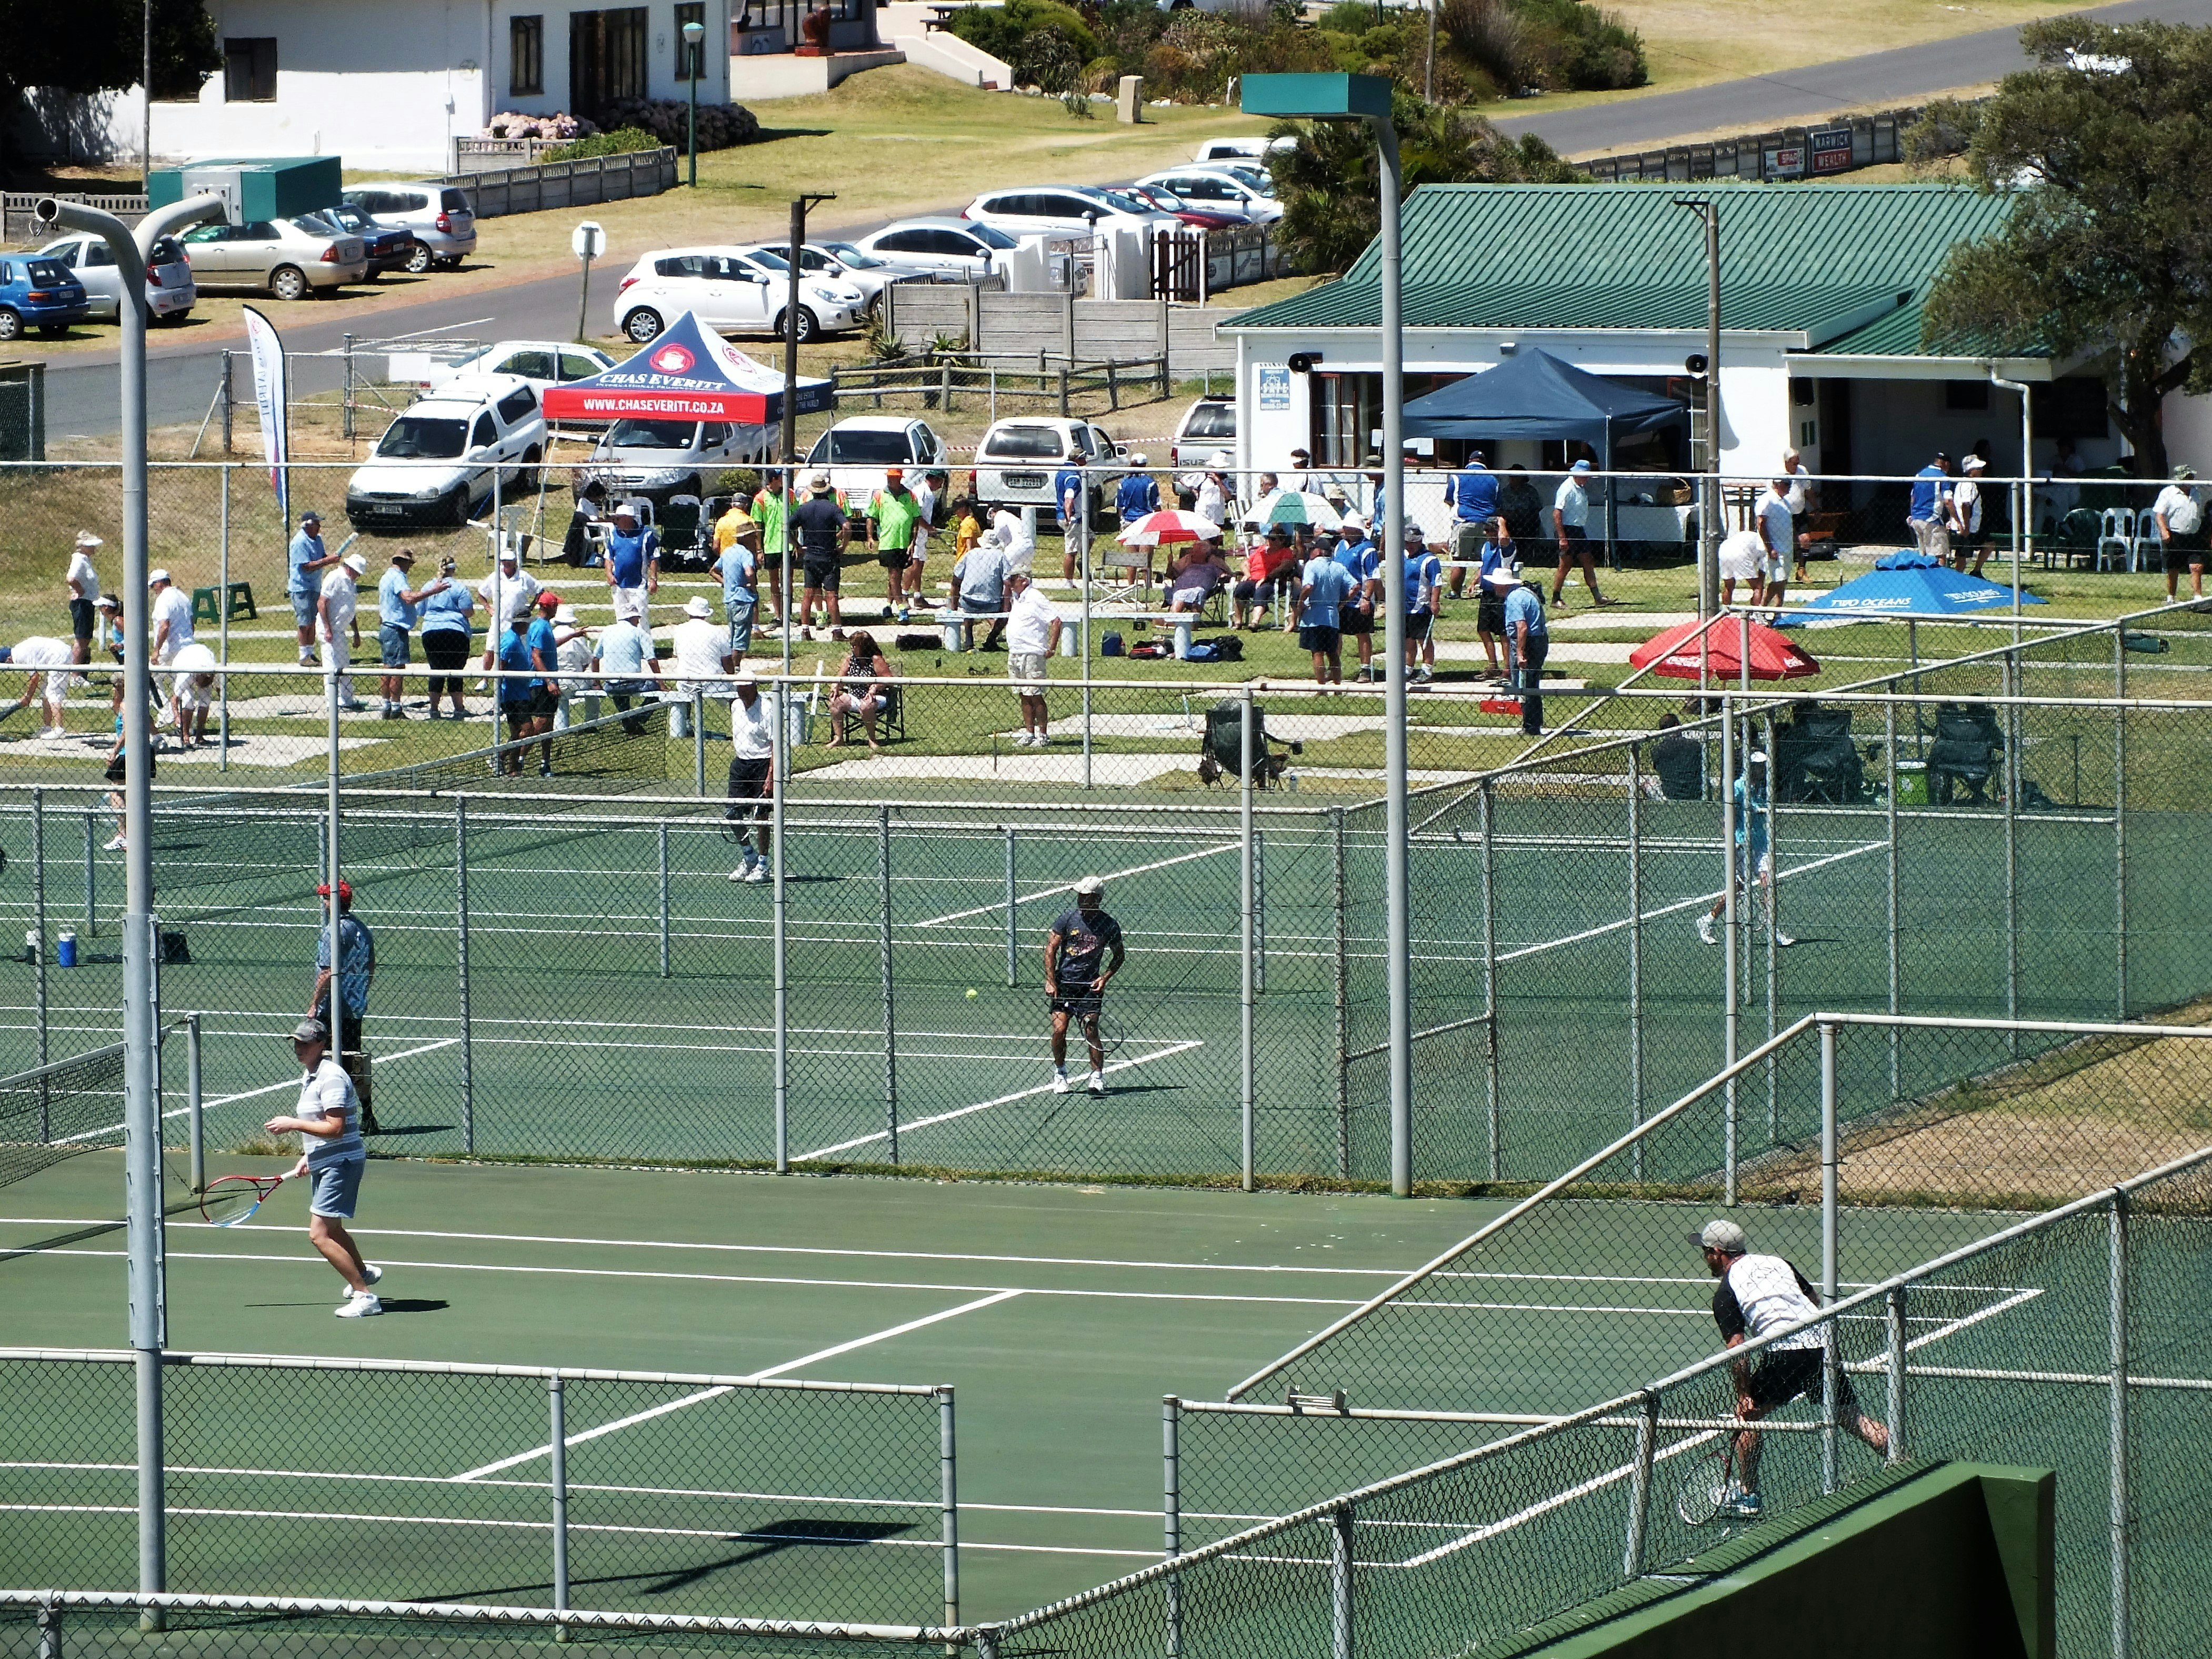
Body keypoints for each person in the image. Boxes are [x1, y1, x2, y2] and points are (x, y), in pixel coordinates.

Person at [1692, 1217, 1887, 1517]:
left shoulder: (1725, 1293)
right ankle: (1898, 1455)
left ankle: (1748, 1495)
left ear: (1718, 1253)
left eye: (1706, 1251)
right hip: (1823, 1345)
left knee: (1747, 1419)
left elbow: (1738, 1350)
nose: (1705, 1257)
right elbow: (1812, 1299)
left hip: (1786, 1353)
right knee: (1851, 1417)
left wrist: (1744, 1396)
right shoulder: (1778, 1263)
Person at [264, 1018, 382, 1318]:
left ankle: (365, 1296)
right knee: (333, 1228)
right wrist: (309, 1155)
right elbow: (320, 1125)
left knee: (319, 1235)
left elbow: (336, 1128)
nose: (298, 1048)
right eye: (296, 1042)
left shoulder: (331, 1077)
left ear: (321, 1044)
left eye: (305, 1043)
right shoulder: (311, 1075)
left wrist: (292, 1124)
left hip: (341, 1163)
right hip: (326, 1160)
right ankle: (362, 1273)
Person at [1699, 749, 1794, 947]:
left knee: (1768, 885)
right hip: (1742, 845)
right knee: (1736, 890)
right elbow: (1728, 817)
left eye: (1763, 766)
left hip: (1761, 845)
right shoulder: (1738, 788)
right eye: (1758, 766)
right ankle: (1708, 920)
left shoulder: (1764, 788)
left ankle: (1774, 930)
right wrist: (1731, 842)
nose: (1762, 770)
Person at [1044, 874, 1124, 1097]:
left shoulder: (1108, 925)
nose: (1080, 899)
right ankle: (1060, 1074)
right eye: (1080, 895)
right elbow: (1050, 950)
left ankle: (1097, 1078)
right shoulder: (1067, 919)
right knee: (1059, 1030)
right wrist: (1051, 981)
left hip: (1090, 988)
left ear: (1096, 899)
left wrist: (1104, 978)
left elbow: (1119, 955)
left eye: (1085, 896)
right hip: (1064, 985)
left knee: (1091, 1029)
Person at [308, 878, 376, 1089]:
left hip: (331, 1008)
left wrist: (314, 1004)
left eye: (327, 898)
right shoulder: (362, 929)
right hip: (354, 1007)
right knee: (353, 1059)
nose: (324, 902)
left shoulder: (333, 931)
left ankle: (332, 1103)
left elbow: (327, 973)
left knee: (324, 1061)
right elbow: (371, 966)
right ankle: (363, 1105)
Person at [375, 548, 444, 720]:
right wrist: (433, 591)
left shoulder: (385, 577)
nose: (410, 567)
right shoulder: (398, 578)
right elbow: (409, 598)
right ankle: (396, 707)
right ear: (402, 562)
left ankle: (386, 705)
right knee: (398, 668)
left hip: (386, 627)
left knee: (387, 666)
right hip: (396, 629)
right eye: (409, 564)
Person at [724, 671, 776, 883]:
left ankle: (763, 864)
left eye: (745, 687)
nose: (741, 691)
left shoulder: (768, 709)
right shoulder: (736, 706)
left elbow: (775, 745)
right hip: (740, 765)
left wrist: (770, 777)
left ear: (754, 686)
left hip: (762, 764)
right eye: (739, 687)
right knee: (732, 814)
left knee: (761, 817)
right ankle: (749, 856)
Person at [1004, 569, 1061, 747]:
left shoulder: (1036, 597)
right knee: (1023, 694)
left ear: (1024, 581)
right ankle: (1029, 733)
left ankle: (1043, 735)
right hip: (1016, 652)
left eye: (1013, 580)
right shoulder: (1017, 598)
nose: (1010, 583)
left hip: (1032, 653)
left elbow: (1056, 621)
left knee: (1035, 694)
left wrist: (1052, 648)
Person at [416, 558, 476, 720]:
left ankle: (434, 709)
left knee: (436, 670)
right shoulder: (459, 588)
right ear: (453, 569)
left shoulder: (429, 587)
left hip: (431, 632)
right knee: (455, 671)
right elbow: (467, 611)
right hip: (455, 632)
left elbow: (420, 610)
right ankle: (458, 709)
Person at [793, 471, 848, 641]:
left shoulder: (804, 509)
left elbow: (787, 526)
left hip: (811, 555)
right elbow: (847, 526)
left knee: (808, 594)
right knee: (831, 595)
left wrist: (797, 545)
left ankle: (805, 630)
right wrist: (843, 546)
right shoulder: (833, 508)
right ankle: (837, 630)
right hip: (829, 555)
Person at [669, 594, 732, 742]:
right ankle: (740, 722)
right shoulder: (718, 631)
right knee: (736, 693)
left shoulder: (680, 630)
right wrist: (732, 675)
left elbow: (677, 655)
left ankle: (686, 723)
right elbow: (727, 660)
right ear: (706, 614)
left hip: (686, 681)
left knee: (682, 691)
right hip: (713, 682)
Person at [595, 600, 663, 734]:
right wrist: (661, 683)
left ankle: (627, 721)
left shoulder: (607, 631)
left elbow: (595, 658)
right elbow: (652, 660)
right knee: (655, 688)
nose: (638, 621)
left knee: (619, 692)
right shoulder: (639, 633)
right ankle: (636, 718)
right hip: (632, 683)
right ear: (632, 618)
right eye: (637, 618)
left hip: (611, 685)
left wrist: (596, 683)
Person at [1549, 459, 1610, 609]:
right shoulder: (1567, 488)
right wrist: (1562, 538)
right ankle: (1556, 599)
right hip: (1568, 530)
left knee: (1588, 560)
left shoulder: (1580, 488)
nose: (1586, 478)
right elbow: (1557, 513)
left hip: (1578, 529)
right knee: (1565, 565)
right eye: (1584, 475)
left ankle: (1598, 597)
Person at [867, 467, 924, 622]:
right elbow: (871, 516)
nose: (890, 480)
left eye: (893, 478)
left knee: (895, 575)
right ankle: (902, 607)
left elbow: (916, 519)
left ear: (899, 479)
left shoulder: (910, 496)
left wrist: (913, 542)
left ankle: (888, 604)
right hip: (888, 542)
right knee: (894, 575)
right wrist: (870, 537)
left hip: (904, 542)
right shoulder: (880, 495)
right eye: (889, 477)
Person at [1297, 537, 1355, 686]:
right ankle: (1337, 686)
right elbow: (1355, 586)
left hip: (1314, 616)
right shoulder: (1338, 567)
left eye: (1312, 549)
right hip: (1332, 616)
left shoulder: (1312, 565)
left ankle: (1321, 687)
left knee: (1317, 652)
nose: (1310, 552)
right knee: (1333, 653)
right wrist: (1342, 603)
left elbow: (1308, 587)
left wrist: (1301, 602)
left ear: (1319, 551)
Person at [1331, 517, 1382, 681]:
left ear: (1356, 530)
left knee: (1362, 634)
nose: (1344, 530)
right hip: (1341, 599)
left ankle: (1365, 669)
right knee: (1336, 634)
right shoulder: (1340, 546)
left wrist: (1366, 598)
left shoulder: (1367, 548)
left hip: (1359, 599)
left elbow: (1373, 575)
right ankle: (1334, 668)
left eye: (1347, 527)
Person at [316, 551, 368, 710]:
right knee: (331, 665)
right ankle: (331, 702)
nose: (358, 576)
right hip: (329, 628)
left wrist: (356, 633)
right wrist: (327, 628)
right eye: (358, 572)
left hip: (340, 629)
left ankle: (347, 699)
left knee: (344, 664)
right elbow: (322, 603)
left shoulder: (351, 583)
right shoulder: (335, 578)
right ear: (351, 568)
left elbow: (349, 609)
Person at [1444, 449, 1500, 596]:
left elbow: (1449, 500)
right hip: (1486, 524)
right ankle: (1484, 589)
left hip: (1464, 522)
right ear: (1484, 463)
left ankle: (1455, 592)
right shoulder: (1493, 480)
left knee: (1459, 560)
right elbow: (1497, 503)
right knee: (1486, 559)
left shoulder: (1458, 477)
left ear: (1470, 461)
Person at [828, 629, 894, 752]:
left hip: (877, 696)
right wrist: (835, 687)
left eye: (854, 646)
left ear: (863, 647)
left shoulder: (876, 659)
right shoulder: (850, 660)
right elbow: (839, 678)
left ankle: (872, 739)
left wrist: (875, 687)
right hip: (854, 695)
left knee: (866, 706)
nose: (852, 648)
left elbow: (889, 679)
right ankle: (839, 738)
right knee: (835, 704)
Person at [287, 512, 339, 666]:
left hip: (315, 586)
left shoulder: (318, 540)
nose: (319, 527)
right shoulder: (299, 542)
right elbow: (307, 566)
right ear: (307, 525)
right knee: (305, 623)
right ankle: (304, 656)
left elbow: (322, 557)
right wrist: (328, 561)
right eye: (317, 524)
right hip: (302, 588)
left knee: (313, 621)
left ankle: (310, 653)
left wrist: (330, 558)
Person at [492, 609, 539, 774]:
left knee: (516, 733)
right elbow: (501, 664)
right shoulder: (510, 641)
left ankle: (511, 768)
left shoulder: (517, 639)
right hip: (513, 695)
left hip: (520, 692)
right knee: (527, 729)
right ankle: (501, 757)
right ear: (522, 623)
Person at [1502, 571, 1547, 736]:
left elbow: (1522, 627)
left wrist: (1520, 653)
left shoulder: (1513, 598)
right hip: (1540, 640)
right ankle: (1533, 724)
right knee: (1532, 684)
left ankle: (1531, 725)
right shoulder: (1525, 593)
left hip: (1528, 643)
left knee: (1524, 685)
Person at [4, 635, 76, 739]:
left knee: (53, 693)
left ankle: (59, 728)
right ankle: (47, 728)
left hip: (59, 656)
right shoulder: (19, 650)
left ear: (8, 659)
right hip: (56, 656)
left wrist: (28, 696)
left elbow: (35, 677)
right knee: (45, 693)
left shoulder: (19, 657)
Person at [2153, 463, 2205, 602]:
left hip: (2193, 535)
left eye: (2191, 477)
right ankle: (2171, 597)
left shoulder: (2196, 493)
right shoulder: (2168, 493)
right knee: (2173, 568)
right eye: (2187, 477)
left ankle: (2198, 597)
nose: (2190, 480)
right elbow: (2159, 514)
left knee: (2196, 566)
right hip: (2175, 535)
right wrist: (2164, 531)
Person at [1234, 523, 1300, 631]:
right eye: (1268, 538)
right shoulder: (1261, 550)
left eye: (1273, 539)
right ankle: (1238, 622)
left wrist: (1266, 578)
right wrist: (1247, 574)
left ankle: (1255, 622)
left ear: (1282, 541)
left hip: (1272, 582)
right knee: (1241, 589)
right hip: (1253, 579)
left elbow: (1284, 568)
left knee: (1261, 591)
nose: (1269, 541)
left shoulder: (1286, 552)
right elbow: (1245, 563)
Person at [603, 502, 659, 625]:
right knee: (621, 620)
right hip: (618, 584)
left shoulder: (645, 534)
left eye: (618, 519)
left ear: (628, 519)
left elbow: (654, 558)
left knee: (641, 620)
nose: (616, 522)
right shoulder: (614, 535)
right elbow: (608, 557)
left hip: (638, 585)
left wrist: (653, 579)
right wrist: (609, 574)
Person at [954, 527, 1009, 650]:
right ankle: (991, 640)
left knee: (968, 607)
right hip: (992, 604)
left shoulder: (971, 554)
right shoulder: (1001, 556)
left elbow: (956, 577)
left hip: (968, 602)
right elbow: (1007, 582)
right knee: (1008, 610)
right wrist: (1006, 606)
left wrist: (953, 607)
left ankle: (969, 640)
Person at [749, 470, 790, 628]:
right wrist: (759, 550)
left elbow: (796, 516)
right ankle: (778, 615)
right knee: (774, 581)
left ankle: (787, 615)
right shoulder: (760, 498)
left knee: (788, 581)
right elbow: (757, 526)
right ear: (774, 479)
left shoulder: (789, 494)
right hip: (771, 545)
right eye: (781, 478)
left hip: (788, 545)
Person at [716, 518, 759, 666]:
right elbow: (749, 572)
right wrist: (752, 586)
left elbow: (713, 570)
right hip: (743, 599)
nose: (755, 539)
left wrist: (726, 583)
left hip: (729, 599)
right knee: (741, 638)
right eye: (753, 536)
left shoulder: (727, 552)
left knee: (733, 634)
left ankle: (730, 666)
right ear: (745, 538)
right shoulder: (746, 554)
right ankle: (735, 667)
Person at [1404, 522, 1442, 685]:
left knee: (1423, 639)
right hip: (1405, 607)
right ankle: (1408, 668)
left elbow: (1436, 582)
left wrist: (1434, 602)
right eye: (1407, 542)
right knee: (1408, 639)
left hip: (1421, 606)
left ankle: (1427, 669)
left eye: (1413, 542)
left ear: (1420, 541)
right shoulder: (1403, 557)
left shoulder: (1430, 560)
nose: (1410, 545)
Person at [477, 545, 541, 635]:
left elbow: (540, 590)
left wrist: (530, 608)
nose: (507, 563)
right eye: (504, 561)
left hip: (520, 625)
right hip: (499, 623)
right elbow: (481, 593)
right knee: (492, 644)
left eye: (510, 561)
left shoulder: (523, 576)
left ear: (515, 561)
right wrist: (489, 609)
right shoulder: (495, 576)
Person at [552, 603, 595, 729]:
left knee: (561, 702)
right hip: (575, 680)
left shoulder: (551, 634)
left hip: (556, 680)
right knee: (593, 691)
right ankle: (591, 723)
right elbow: (587, 659)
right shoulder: (577, 636)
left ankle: (561, 728)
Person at [166, 641, 218, 747]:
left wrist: (224, 709)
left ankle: (200, 737)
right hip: (183, 661)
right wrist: (176, 716)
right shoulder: (186, 675)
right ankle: (186, 737)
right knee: (188, 701)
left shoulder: (215, 672)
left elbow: (220, 690)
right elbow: (175, 698)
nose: (203, 687)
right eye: (202, 683)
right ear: (197, 677)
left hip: (202, 655)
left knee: (206, 701)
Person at [1756, 476, 1796, 610]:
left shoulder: (1785, 502)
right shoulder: (1767, 500)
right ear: (1777, 484)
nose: (1790, 486)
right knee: (1778, 580)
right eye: (1787, 484)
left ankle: (1778, 610)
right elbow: (1761, 524)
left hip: (1787, 547)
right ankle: (1762, 609)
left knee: (1783, 581)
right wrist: (1770, 547)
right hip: (1775, 548)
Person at [66, 529, 101, 675]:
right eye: (91, 546)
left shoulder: (86, 559)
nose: (94, 548)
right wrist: (80, 591)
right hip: (82, 603)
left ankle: (80, 671)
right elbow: (71, 578)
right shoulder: (79, 559)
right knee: (81, 640)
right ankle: (75, 674)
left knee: (85, 639)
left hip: (88, 602)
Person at [1907, 451, 1953, 562]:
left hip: (1917, 519)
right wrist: (1955, 518)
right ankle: (1940, 574)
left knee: (1923, 555)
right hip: (1932, 519)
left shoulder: (1920, 474)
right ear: (1946, 464)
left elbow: (1913, 498)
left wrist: (1913, 515)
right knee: (1939, 554)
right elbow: (1948, 500)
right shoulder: (1942, 477)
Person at [1950, 454, 1988, 576]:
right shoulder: (1969, 485)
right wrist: (1966, 527)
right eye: (1978, 468)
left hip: (1968, 526)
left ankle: (1975, 571)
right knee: (1962, 558)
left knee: (1989, 544)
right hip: (1968, 527)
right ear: (1971, 470)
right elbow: (1966, 505)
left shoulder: (1963, 483)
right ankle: (1957, 578)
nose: (1981, 471)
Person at [1166, 540, 1228, 614]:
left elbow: (1223, 575)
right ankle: (1173, 618)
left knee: (1198, 593)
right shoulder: (1188, 563)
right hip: (1182, 588)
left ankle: (1193, 619)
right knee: (1179, 600)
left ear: (1205, 553)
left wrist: (1225, 577)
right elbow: (1172, 573)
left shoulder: (1213, 565)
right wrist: (1170, 563)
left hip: (1199, 588)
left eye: (1196, 551)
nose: (1192, 553)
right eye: (1193, 551)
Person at [148, 567, 193, 666]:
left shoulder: (163, 599)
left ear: (159, 583)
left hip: (169, 649)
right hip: (188, 646)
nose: (153, 589)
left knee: (151, 673)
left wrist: (157, 650)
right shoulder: (184, 597)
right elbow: (191, 624)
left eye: (153, 585)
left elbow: (164, 626)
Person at [1498, 466, 1546, 557]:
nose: (1512, 479)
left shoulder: (1531, 491)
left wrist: (1523, 514)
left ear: (1522, 478)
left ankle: (1526, 554)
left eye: (1515, 476)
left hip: (1527, 522)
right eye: (1511, 476)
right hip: (1509, 521)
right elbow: (1500, 508)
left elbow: (1537, 508)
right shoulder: (1505, 492)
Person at [1783, 448, 1813, 583]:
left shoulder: (1802, 471)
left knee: (1805, 539)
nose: (1796, 466)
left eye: (1798, 463)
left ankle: (1802, 570)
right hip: (1784, 514)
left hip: (1800, 512)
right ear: (1787, 462)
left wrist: (1817, 508)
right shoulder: (1778, 473)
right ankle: (1782, 575)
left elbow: (1808, 491)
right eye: (1794, 464)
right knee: (1786, 543)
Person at [1717, 527, 1765, 612]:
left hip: (1724, 550)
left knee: (1728, 586)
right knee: (1757, 587)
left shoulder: (1752, 536)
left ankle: (1725, 611)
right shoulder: (1765, 544)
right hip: (1740, 552)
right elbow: (1762, 571)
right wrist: (1761, 581)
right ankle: (1756, 612)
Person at [1056, 455, 1087, 581]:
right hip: (1073, 517)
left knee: (1090, 537)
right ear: (1078, 460)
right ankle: (1068, 582)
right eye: (1084, 458)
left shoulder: (1061, 472)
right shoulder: (1073, 476)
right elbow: (1069, 498)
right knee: (1071, 552)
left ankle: (1083, 560)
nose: (1086, 461)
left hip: (1072, 516)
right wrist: (1069, 516)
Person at [1115, 458, 1161, 530]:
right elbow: (1156, 505)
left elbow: (1119, 506)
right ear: (1145, 465)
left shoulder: (1123, 483)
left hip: (1128, 520)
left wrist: (1122, 519)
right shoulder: (1150, 483)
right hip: (1145, 521)